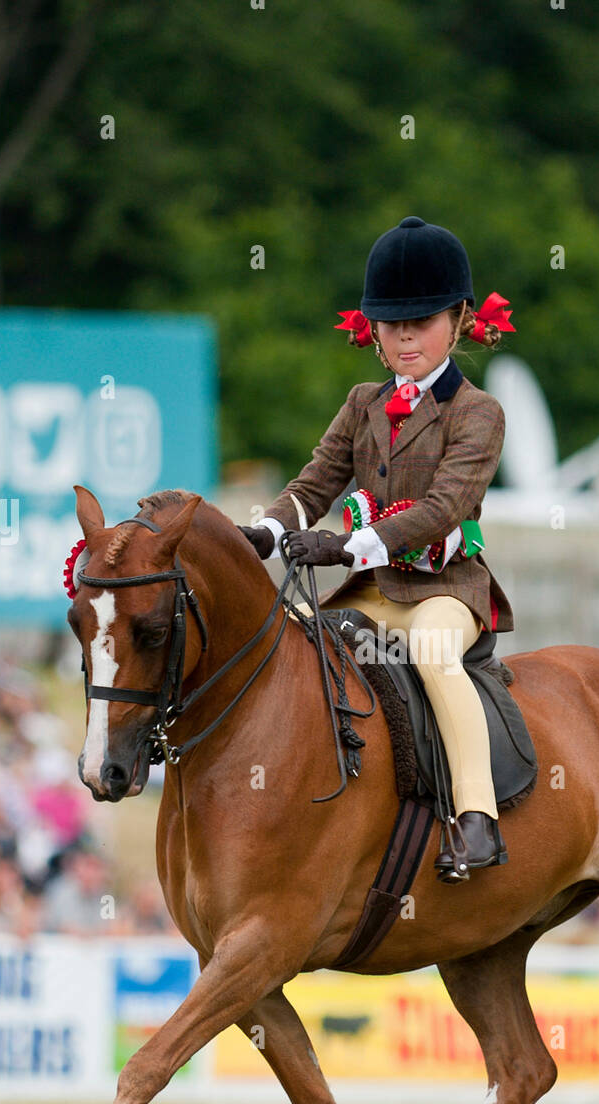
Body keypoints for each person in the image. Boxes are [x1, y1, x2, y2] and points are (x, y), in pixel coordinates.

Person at [239, 216, 516, 881]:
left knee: (430, 653)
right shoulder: (363, 402)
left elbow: (442, 509)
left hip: (445, 589)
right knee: (280, 643)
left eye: (421, 321)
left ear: (457, 320)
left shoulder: (478, 412)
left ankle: (478, 818)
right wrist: (265, 532)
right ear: (375, 330)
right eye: (393, 324)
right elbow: (314, 483)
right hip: (368, 594)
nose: (406, 336)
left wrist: (345, 547)